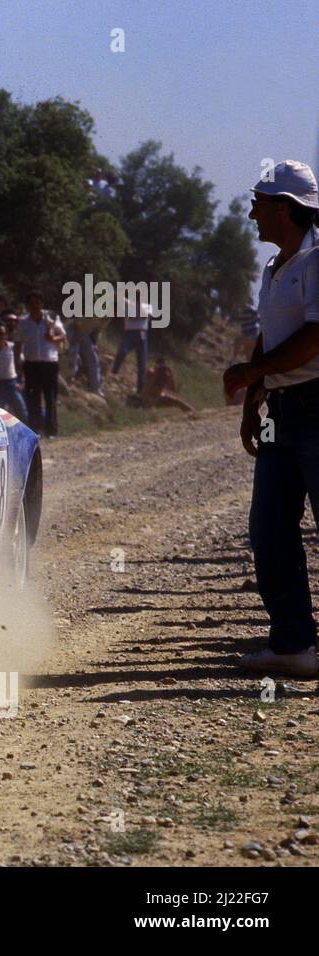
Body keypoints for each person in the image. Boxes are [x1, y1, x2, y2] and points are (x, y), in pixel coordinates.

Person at [223, 160, 319, 676]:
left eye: (259, 202)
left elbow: (314, 337)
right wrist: (252, 400)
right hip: (282, 411)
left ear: (284, 208)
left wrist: (253, 369)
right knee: (269, 530)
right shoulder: (274, 267)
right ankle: (293, 644)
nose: (252, 212)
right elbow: (273, 338)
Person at [13, 290, 67, 437]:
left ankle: (51, 430)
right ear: (28, 305)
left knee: (50, 398)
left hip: (49, 363)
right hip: (31, 364)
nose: (34, 305)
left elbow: (62, 335)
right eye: (31, 303)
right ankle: (35, 429)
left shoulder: (51, 317)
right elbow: (18, 342)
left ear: (41, 304)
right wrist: (17, 362)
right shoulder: (23, 322)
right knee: (33, 398)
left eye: (37, 302)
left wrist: (52, 339)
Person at [111, 299, 151, 394]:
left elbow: (143, 316)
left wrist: (132, 315)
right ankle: (114, 373)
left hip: (142, 335)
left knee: (142, 363)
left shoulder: (148, 306)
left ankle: (140, 390)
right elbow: (118, 296)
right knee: (122, 352)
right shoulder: (129, 303)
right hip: (129, 333)